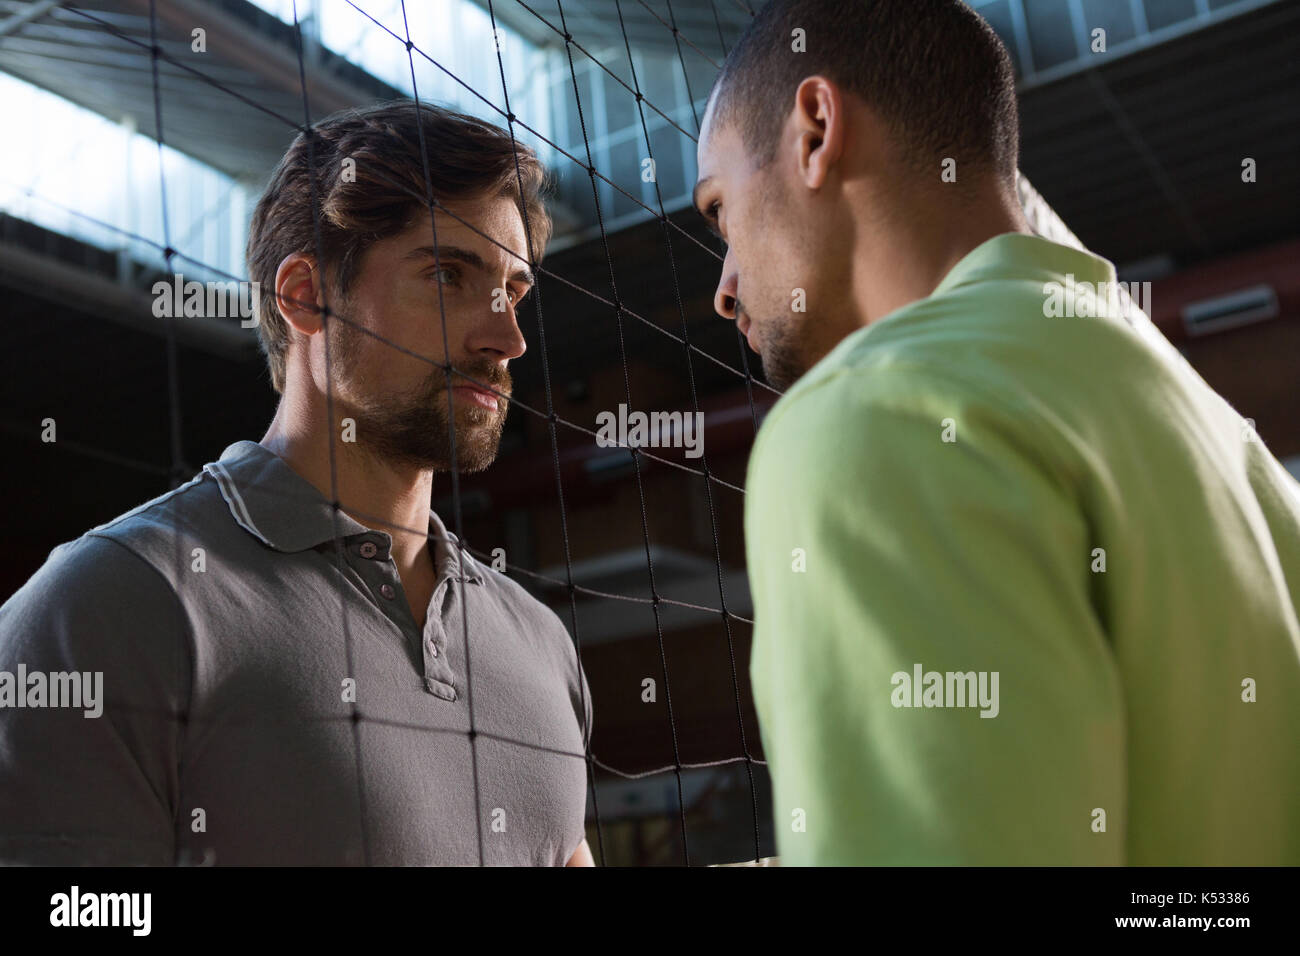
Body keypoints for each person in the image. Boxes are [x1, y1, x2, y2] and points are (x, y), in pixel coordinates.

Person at [695, 0, 1300, 864]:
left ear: (817, 130)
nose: (723, 288)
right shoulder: (1239, 455)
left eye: (719, 210)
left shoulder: (873, 414)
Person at [0, 101, 594, 866]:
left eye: (513, 291)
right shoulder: (109, 604)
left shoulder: (542, 643)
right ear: (306, 296)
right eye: (448, 276)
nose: (506, 338)